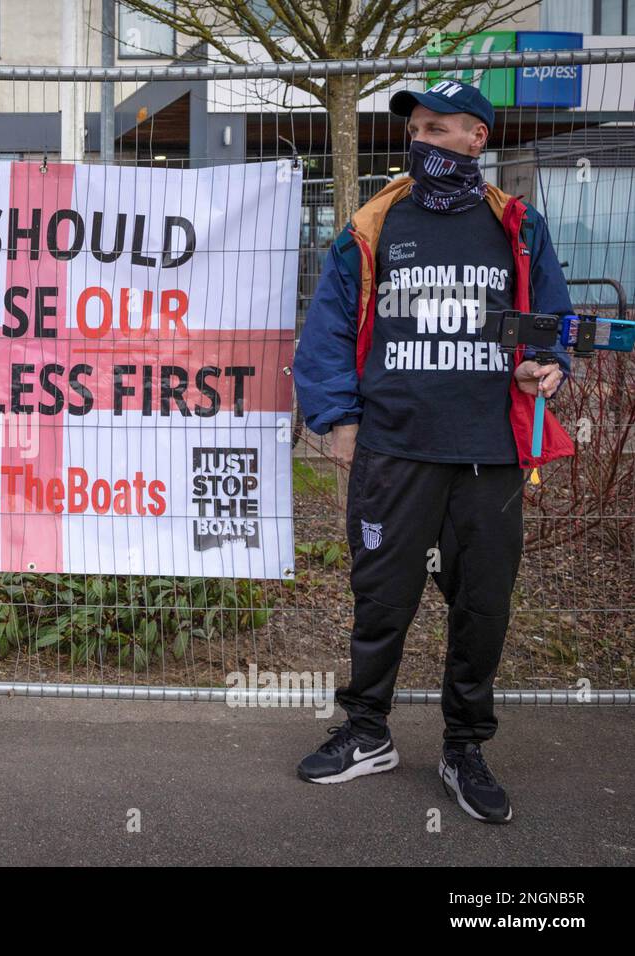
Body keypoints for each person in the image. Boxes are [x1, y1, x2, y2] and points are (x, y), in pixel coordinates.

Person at [291, 81, 576, 824]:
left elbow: (552, 319)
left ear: (477, 139)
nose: (422, 139)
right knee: (381, 601)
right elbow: (324, 333)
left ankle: (464, 747)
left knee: (481, 608)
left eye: (439, 128)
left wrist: (549, 363)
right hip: (393, 449)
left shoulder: (517, 224)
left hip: (491, 452)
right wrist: (339, 421)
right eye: (416, 127)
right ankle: (366, 732)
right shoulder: (373, 223)